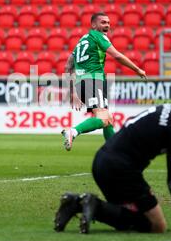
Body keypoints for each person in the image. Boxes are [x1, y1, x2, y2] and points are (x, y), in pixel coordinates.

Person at [54, 84, 171, 235]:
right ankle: (93, 205)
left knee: (129, 215)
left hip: (102, 162)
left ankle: (75, 203)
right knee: (157, 226)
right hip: (121, 171)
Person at [61, 12, 147, 151]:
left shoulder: (83, 40)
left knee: (108, 120)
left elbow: (68, 66)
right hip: (94, 81)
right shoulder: (98, 36)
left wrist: (73, 92)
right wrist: (137, 69)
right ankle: (73, 131)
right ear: (93, 25)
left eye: (108, 22)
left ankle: (116, 151)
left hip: (81, 83)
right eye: (103, 22)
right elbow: (117, 55)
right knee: (103, 119)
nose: (107, 25)